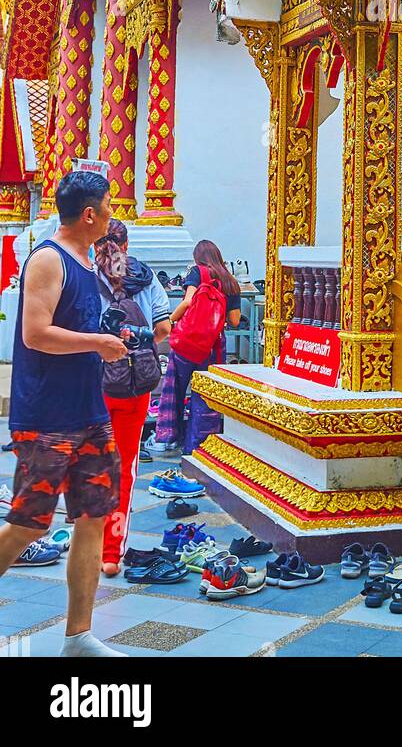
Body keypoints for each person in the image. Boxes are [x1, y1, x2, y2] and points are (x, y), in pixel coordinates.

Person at [0, 171, 129, 657]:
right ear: (89, 213)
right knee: (31, 522)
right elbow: (36, 333)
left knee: (94, 516)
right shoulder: (48, 260)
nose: (113, 211)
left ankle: (79, 636)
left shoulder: (85, 259)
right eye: (109, 204)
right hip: (46, 416)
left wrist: (108, 340)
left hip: (87, 412)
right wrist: (97, 343)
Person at [94, 220, 171, 577]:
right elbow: (164, 330)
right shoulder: (147, 277)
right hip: (135, 384)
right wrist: (137, 337)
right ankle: (111, 551)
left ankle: (87, 541)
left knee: (90, 463)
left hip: (95, 385)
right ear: (127, 244)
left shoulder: (82, 275)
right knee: (124, 467)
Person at [154, 240, 241, 456]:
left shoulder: (197, 272)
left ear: (198, 258)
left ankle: (168, 438)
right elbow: (236, 321)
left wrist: (170, 322)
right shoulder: (231, 282)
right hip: (213, 346)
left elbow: (187, 302)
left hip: (187, 343)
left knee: (174, 390)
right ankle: (199, 445)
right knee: (204, 394)